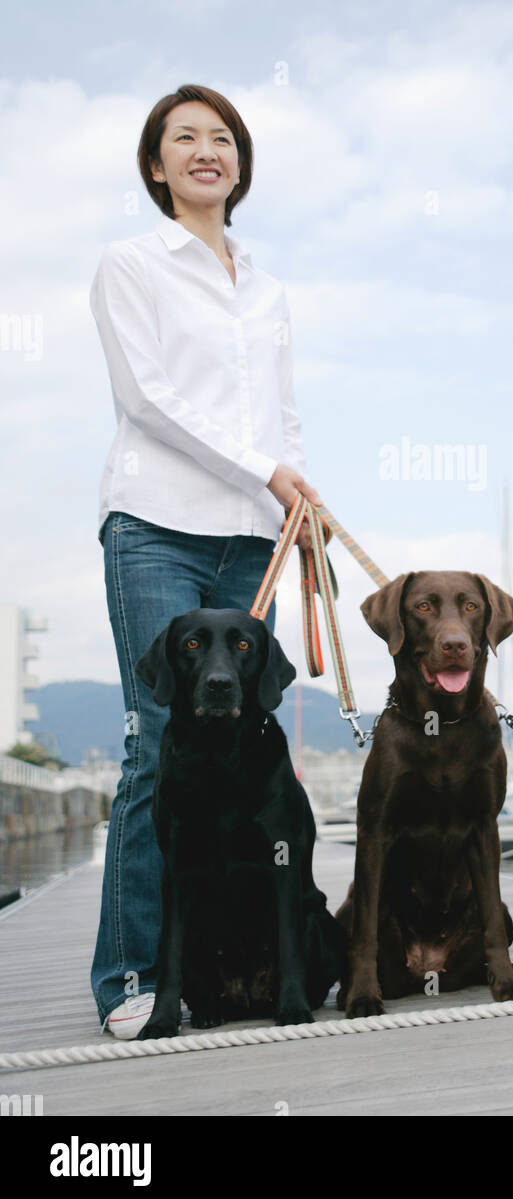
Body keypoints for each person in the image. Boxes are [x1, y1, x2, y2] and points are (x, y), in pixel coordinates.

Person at [89, 84, 320, 1038]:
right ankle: (131, 979)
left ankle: (236, 966)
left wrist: (294, 494)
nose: (204, 150)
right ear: (157, 165)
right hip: (154, 522)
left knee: (243, 736)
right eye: (183, 138)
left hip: (251, 537)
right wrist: (262, 468)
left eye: (221, 137)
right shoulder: (131, 264)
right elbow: (146, 398)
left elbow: (282, 414)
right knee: (159, 737)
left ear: (240, 164)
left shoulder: (265, 288)